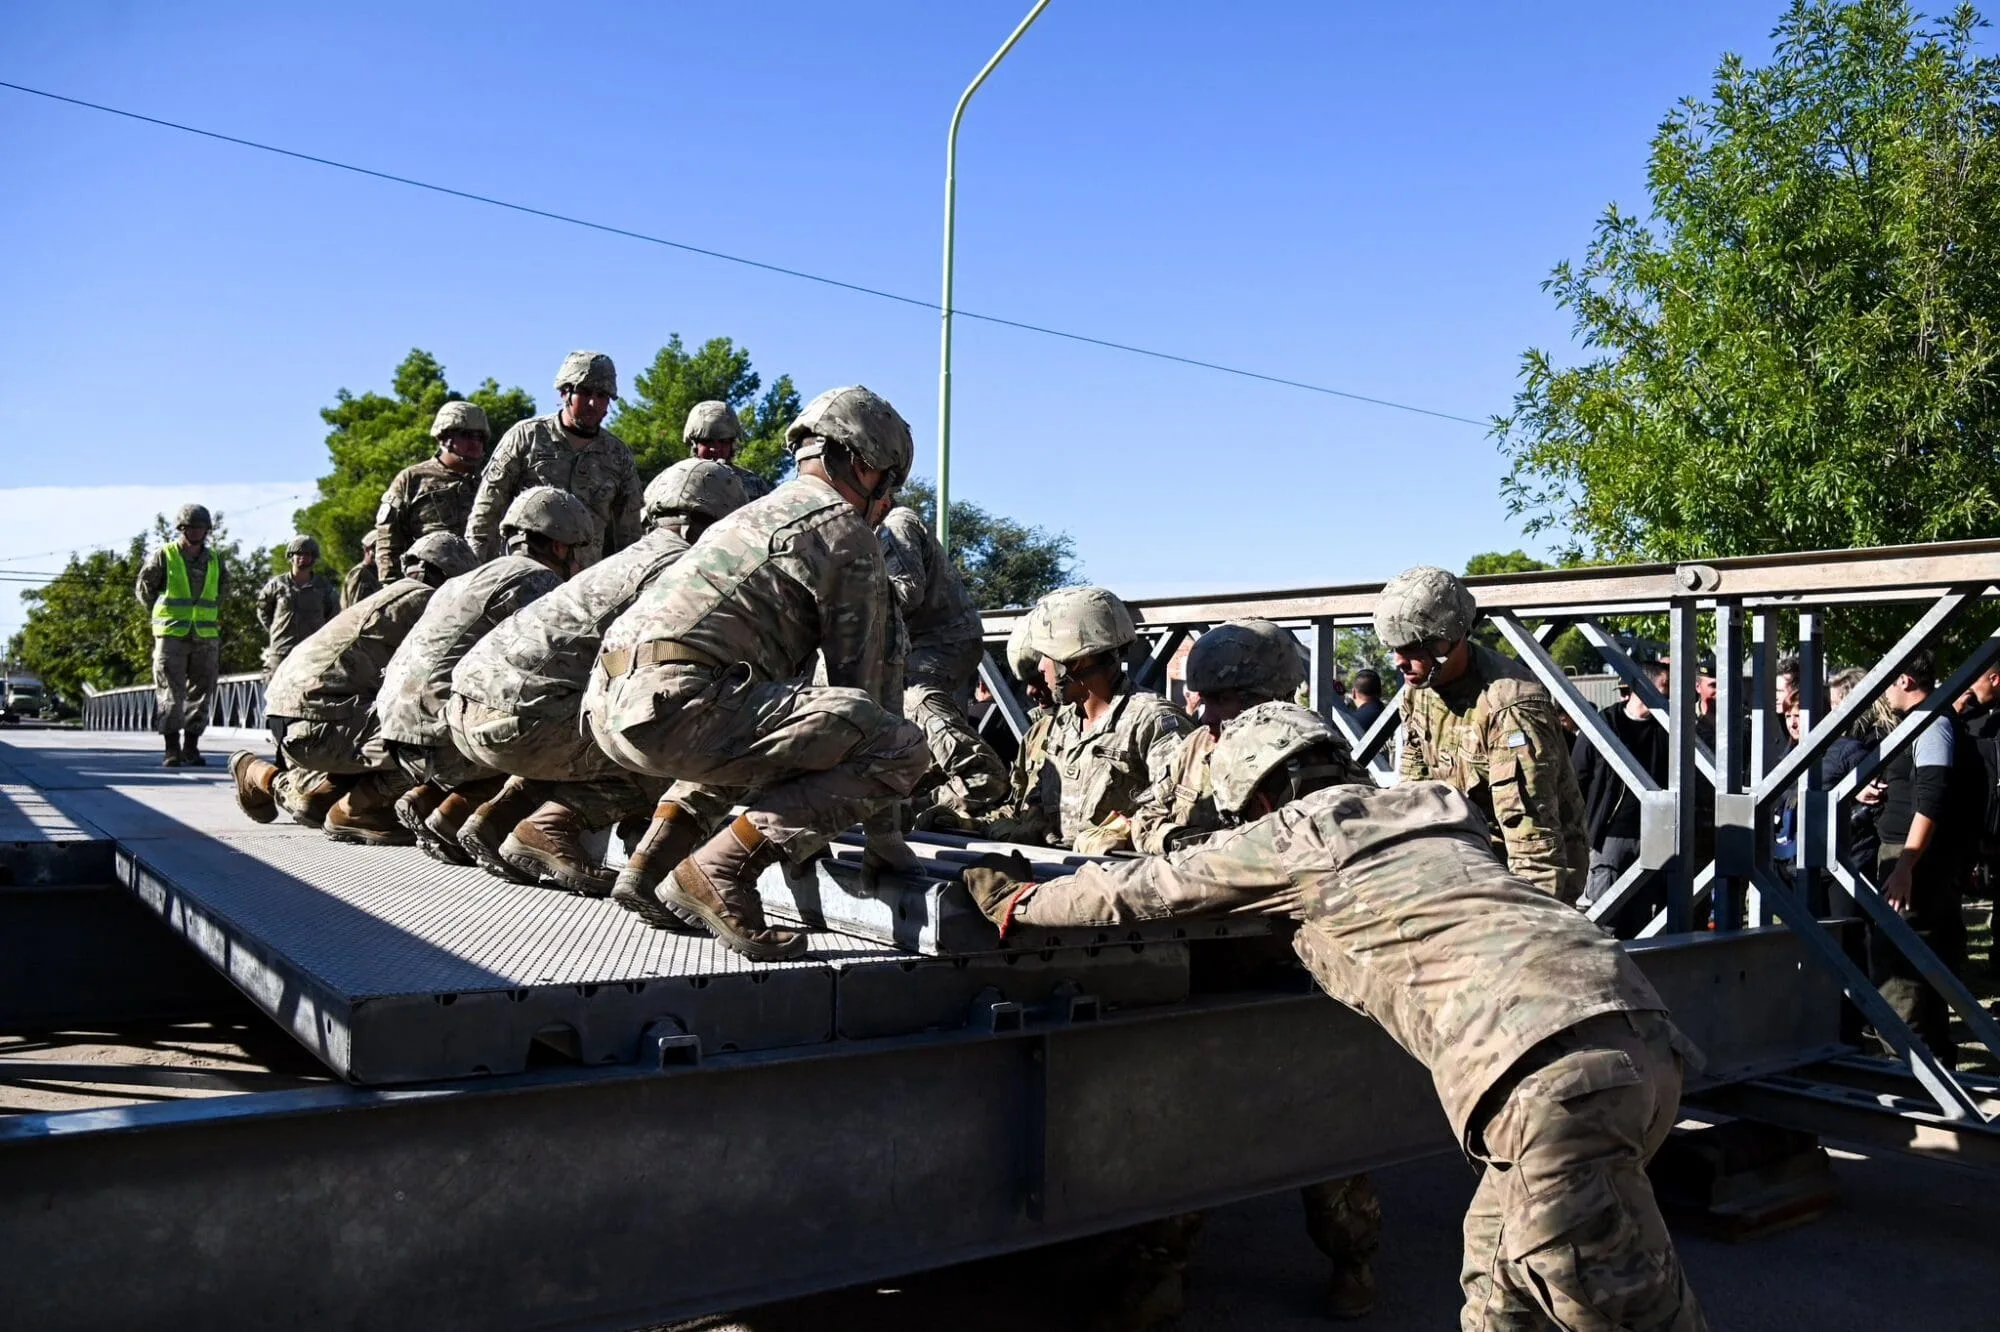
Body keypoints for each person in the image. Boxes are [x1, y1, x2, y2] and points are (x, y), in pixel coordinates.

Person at [960, 707, 1707, 1332]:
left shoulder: (1291, 836)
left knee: (1610, 1308)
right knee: (1499, 1282)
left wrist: (1022, 902)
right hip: (1640, 1031)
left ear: (1260, 796)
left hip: (1550, 1082)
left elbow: (1146, 889)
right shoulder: (1432, 807)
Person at [586, 385, 932, 961]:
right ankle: (721, 871)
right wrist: (884, 835)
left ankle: (650, 865)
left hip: (608, 705)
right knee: (899, 747)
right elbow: (869, 690)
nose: (887, 498)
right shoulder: (845, 534)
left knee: (766, 726)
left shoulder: (752, 513)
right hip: (675, 706)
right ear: (866, 465)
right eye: (889, 482)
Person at [446, 460, 752, 896]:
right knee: (660, 741)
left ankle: (493, 820)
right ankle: (550, 830)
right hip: (520, 720)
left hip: (470, 707)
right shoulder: (686, 571)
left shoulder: (629, 556)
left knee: (585, 721)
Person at [373, 488, 592, 857]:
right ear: (559, 547)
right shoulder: (538, 581)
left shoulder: (468, 578)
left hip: (396, 737)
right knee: (574, 728)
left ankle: (436, 804)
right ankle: (489, 824)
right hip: (447, 740)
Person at [229, 533, 477, 837]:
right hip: (320, 720)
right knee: (449, 730)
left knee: (313, 804)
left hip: (298, 715)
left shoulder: (392, 593)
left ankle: (264, 776)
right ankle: (358, 810)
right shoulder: (427, 603)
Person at [1376, 565, 1588, 900]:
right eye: (1394, 648)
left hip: (1516, 878)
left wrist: (1535, 927)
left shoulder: (1510, 705)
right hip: (1463, 867)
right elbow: (1413, 798)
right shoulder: (1418, 692)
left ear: (1453, 636)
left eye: (1414, 647)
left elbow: (1533, 842)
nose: (1399, 661)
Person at [990, 586, 1194, 850]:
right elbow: (1041, 798)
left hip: (1118, 883)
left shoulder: (1153, 722)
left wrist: (1126, 834)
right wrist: (1034, 819)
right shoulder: (1062, 724)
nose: (1041, 668)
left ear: (1075, 660)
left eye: (1045, 656)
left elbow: (1185, 821)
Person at [1105, 619, 1316, 856]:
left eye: (1222, 700)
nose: (1207, 718)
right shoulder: (1197, 747)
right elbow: (1146, 820)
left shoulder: (1312, 758)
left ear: (1271, 698)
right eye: (1205, 701)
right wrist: (1181, 841)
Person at [1872, 649, 1986, 1064]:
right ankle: (1933, 1071)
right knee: (1921, 964)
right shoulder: (1928, 722)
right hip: (1916, 857)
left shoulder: (1932, 722)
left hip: (1913, 859)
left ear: (1904, 680)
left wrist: (1905, 865)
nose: (1884, 692)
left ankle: (1907, 1072)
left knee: (1898, 968)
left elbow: (1933, 797)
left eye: (1887, 681)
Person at [877, 502, 1011, 828]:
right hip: (918, 643)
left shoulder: (896, 523)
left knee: (912, 692)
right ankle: (925, 784)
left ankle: (979, 771)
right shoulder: (867, 532)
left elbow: (906, 592)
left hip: (945, 641)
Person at [466, 351, 643, 566]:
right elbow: (486, 512)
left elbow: (630, 536)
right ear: (564, 393)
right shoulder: (526, 437)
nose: (593, 403)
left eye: (602, 396)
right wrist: (473, 569)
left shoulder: (618, 456)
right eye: (585, 393)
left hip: (583, 581)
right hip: (525, 573)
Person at [1571, 661, 1671, 911]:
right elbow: (1576, 779)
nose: (1669, 695)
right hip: (1608, 837)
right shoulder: (1603, 724)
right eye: (1664, 686)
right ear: (1643, 687)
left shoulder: (1668, 729)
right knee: (1606, 914)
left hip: (1653, 837)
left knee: (1643, 913)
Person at [134, 503, 228, 768]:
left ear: (207, 530)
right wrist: (160, 614)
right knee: (170, 693)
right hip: (172, 635)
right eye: (190, 527)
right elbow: (145, 589)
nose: (196, 532)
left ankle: (192, 747)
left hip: (205, 636)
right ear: (181, 529)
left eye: (200, 527)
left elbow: (223, 589)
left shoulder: (215, 560)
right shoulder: (165, 555)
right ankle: (171, 748)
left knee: (202, 692)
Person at [375, 399, 491, 581]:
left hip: (483, 583)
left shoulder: (491, 481)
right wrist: (392, 585)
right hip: (431, 582)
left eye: (480, 437)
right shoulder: (412, 479)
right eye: (467, 435)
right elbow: (388, 539)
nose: (475, 443)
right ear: (444, 438)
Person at [256, 536, 340, 678]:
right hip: (282, 651)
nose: (303, 558)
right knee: (278, 695)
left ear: (314, 558)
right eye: (299, 554)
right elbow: (263, 610)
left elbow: (332, 614)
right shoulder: (277, 585)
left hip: (313, 651)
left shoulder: (323, 587)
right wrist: (277, 630)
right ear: (291, 557)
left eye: (308, 554)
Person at [683, 399, 773, 501]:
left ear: (732, 444)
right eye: (707, 441)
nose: (715, 448)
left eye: (723, 441)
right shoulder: (680, 478)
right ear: (694, 444)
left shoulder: (753, 484)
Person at [343, 529, 384, 609]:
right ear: (366, 550)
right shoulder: (360, 573)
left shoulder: (377, 571)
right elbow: (355, 607)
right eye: (375, 548)